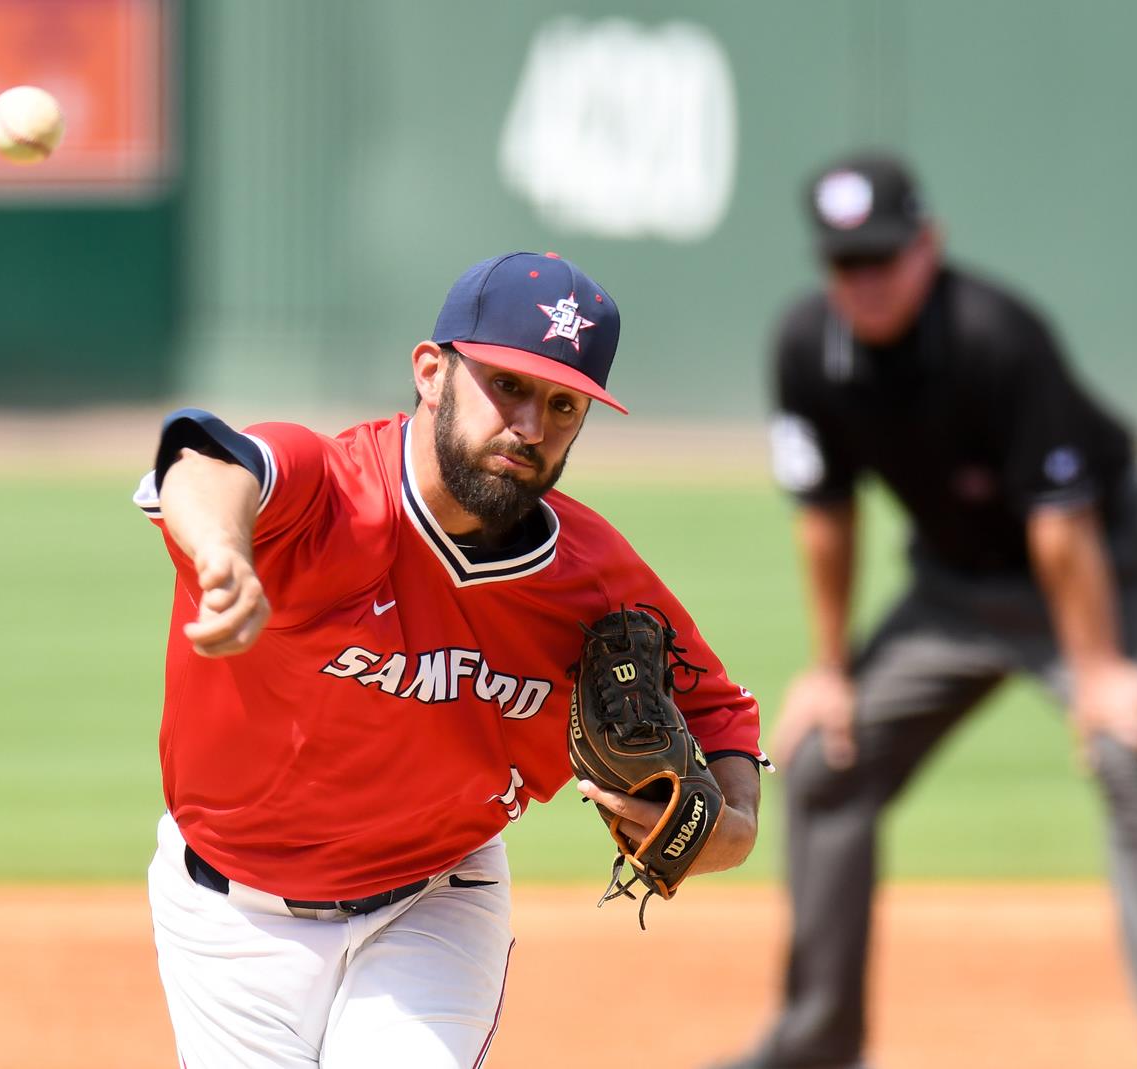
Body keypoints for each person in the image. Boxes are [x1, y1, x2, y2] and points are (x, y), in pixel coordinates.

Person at [133, 251, 767, 1068]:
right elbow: (201, 464)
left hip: (434, 901)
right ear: (432, 372)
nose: (530, 426)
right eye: (507, 385)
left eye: (563, 404)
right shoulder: (329, 491)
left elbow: (719, 712)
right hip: (230, 919)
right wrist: (224, 550)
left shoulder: (596, 578)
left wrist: (734, 830)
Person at [713, 152, 1137, 1069]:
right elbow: (825, 513)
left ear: (930, 246)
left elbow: (1063, 526)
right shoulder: (809, 349)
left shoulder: (997, 335)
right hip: (953, 596)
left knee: (1134, 751)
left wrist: (1104, 672)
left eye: (885, 257)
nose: (868, 283)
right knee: (824, 757)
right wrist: (830, 670)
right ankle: (819, 1044)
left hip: (1104, 578)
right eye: (847, 265)